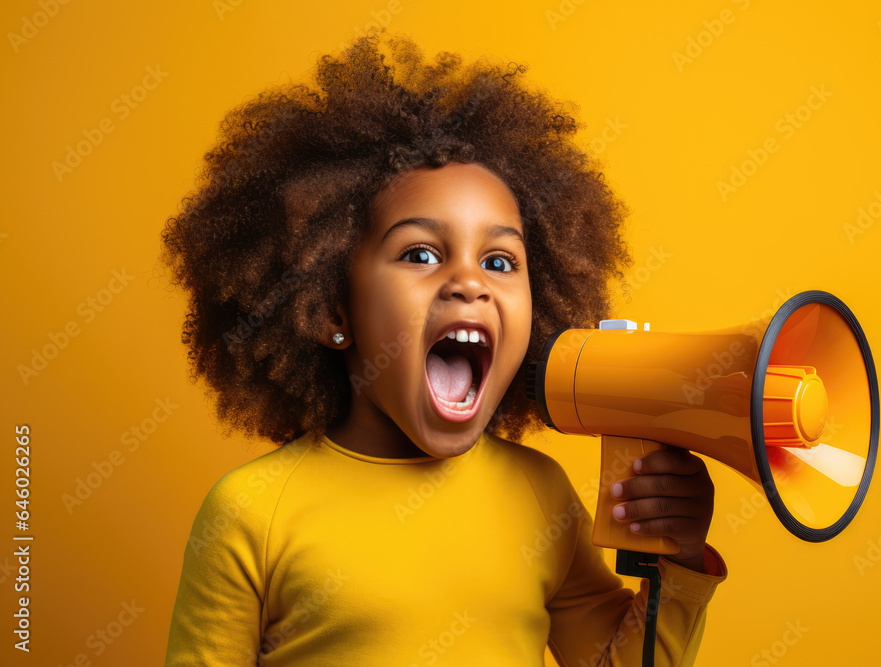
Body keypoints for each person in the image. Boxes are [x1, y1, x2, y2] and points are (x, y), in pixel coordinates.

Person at [162, 28, 726, 666]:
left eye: (500, 260)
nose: (470, 283)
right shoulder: (252, 513)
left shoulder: (540, 494)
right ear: (333, 308)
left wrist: (677, 562)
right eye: (420, 253)